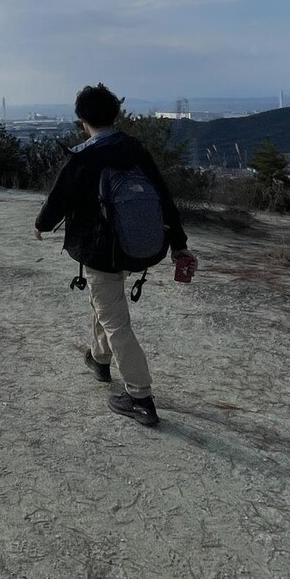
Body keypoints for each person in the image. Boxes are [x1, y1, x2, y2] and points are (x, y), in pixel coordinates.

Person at [33, 83, 197, 428]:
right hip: (134, 245)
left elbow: (59, 197)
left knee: (115, 319)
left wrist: (42, 225)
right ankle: (99, 359)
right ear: (115, 115)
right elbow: (164, 196)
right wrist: (178, 242)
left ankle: (140, 397)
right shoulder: (134, 149)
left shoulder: (86, 156)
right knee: (104, 303)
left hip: (100, 250)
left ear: (82, 120)